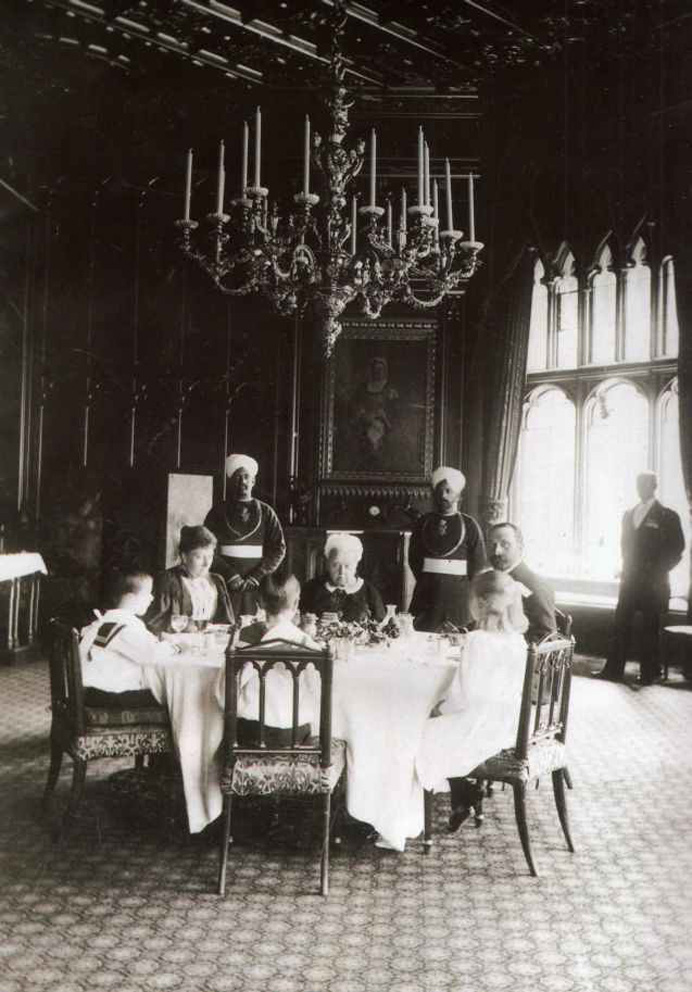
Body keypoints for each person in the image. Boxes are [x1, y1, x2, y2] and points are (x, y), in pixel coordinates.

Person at [415, 569, 528, 832]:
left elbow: (462, 697)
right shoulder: (518, 641)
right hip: (508, 723)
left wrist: (437, 709)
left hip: (480, 723)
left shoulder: (478, 641)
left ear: (480, 603)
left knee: (422, 732)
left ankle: (460, 797)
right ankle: (463, 795)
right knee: (438, 732)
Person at [599, 471, 685, 685]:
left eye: (646, 484)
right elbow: (625, 547)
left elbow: (678, 549)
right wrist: (626, 568)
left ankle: (649, 672)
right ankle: (613, 670)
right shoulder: (629, 514)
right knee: (621, 625)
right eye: (638, 484)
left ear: (654, 486)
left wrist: (657, 571)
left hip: (654, 584)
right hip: (630, 581)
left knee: (650, 628)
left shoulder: (667, 515)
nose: (641, 488)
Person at [234, 574, 321, 747]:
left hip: (251, 734)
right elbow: (318, 693)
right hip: (297, 736)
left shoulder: (244, 640)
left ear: (258, 603)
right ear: (296, 604)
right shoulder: (308, 645)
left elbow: (223, 694)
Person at [79, 570, 180, 708]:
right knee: (175, 696)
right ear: (131, 597)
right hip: (110, 696)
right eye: (148, 593)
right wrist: (174, 647)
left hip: (93, 692)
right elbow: (150, 654)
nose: (151, 598)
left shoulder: (109, 620)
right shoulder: (125, 625)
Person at [203, 453, 286, 618]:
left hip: (258, 584)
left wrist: (257, 576)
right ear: (231, 482)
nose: (243, 482)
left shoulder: (266, 512)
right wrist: (230, 574)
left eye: (247, 477)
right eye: (238, 477)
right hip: (225, 583)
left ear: (254, 481)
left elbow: (279, 548)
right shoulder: (217, 512)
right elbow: (207, 548)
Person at [408, 466, 486, 632]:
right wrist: (429, 580)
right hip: (427, 594)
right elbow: (413, 559)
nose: (443, 496)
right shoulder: (423, 522)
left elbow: (478, 564)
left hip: (458, 597)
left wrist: (460, 587)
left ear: (459, 495)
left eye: (448, 491)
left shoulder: (470, 524)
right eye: (439, 492)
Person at [145, 525, 235, 635]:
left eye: (210, 556)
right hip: (177, 643)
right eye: (199, 557)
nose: (206, 564)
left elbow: (226, 621)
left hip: (210, 642)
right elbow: (153, 621)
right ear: (184, 557)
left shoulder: (217, 581)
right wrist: (183, 625)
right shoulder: (168, 580)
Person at [488, 522, 556, 643]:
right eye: (492, 545)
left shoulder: (535, 585)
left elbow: (546, 638)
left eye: (505, 545)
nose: (497, 551)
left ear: (520, 547)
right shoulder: (490, 580)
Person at [299, 532, 386, 624]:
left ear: (356, 565)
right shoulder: (310, 589)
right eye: (335, 565)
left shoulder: (369, 592)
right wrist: (307, 621)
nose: (341, 572)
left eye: (347, 566)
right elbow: (295, 623)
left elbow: (381, 629)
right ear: (327, 564)